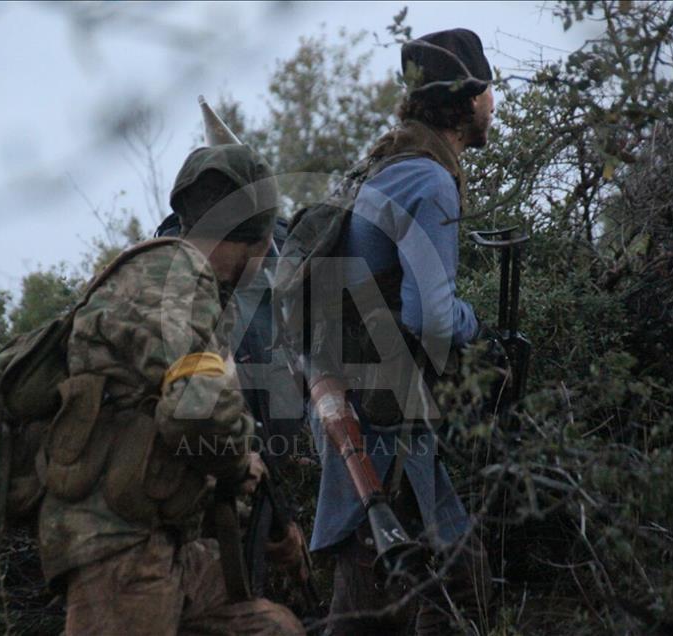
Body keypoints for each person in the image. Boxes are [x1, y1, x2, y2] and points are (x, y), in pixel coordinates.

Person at [36, 143, 304, 635]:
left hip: (160, 540)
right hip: (119, 546)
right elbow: (196, 415)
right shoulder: (177, 281)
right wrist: (245, 462)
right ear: (259, 240)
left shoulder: (174, 277)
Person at [305, 28, 497, 635]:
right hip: (380, 421)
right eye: (488, 90)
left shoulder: (385, 164)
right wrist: (478, 325)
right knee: (445, 583)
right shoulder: (431, 180)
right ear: (466, 100)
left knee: (397, 593)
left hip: (352, 405)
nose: (494, 102)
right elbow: (431, 317)